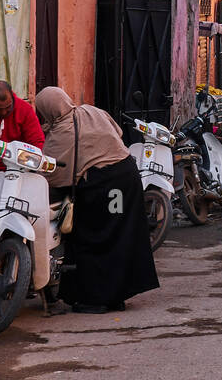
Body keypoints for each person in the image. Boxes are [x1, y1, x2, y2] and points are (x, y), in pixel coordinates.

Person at [35, 86, 159, 313]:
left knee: (92, 237)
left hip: (102, 185)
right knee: (120, 234)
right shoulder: (91, 111)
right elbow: (118, 133)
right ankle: (116, 296)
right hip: (126, 176)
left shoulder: (60, 133)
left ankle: (96, 299)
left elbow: (54, 176)